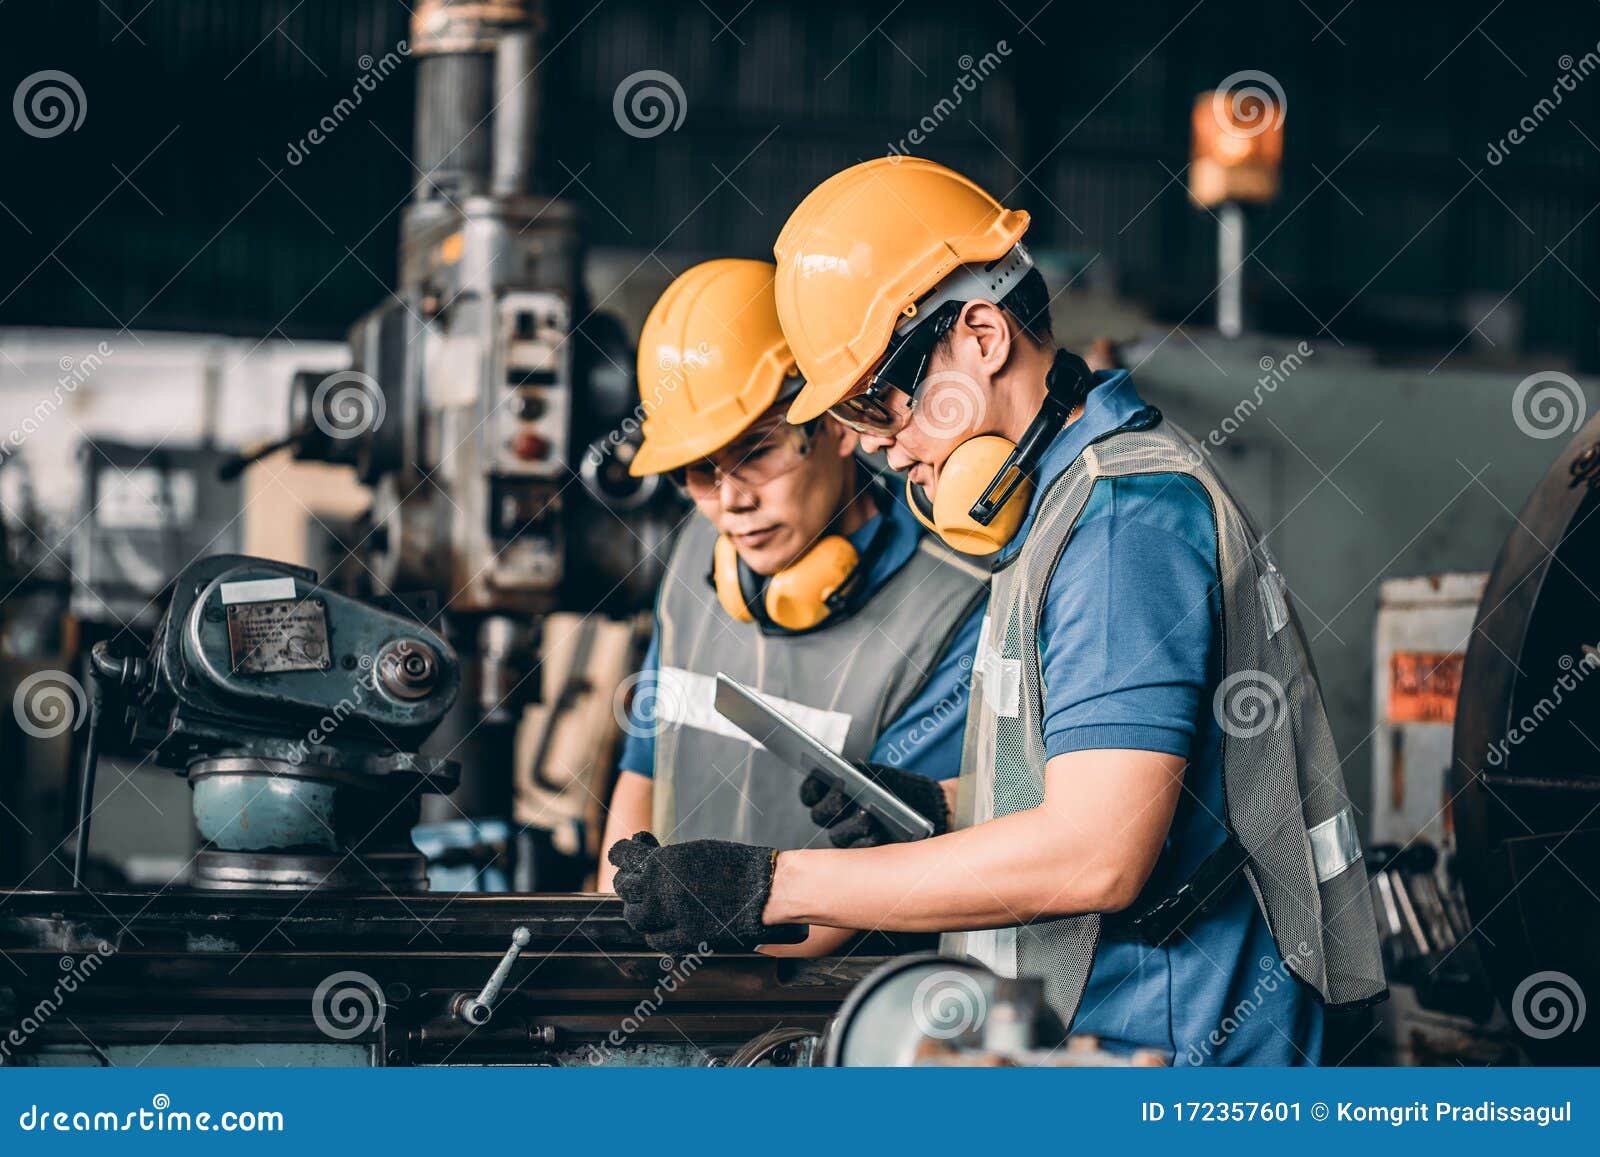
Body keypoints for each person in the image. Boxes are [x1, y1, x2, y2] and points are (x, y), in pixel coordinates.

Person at [608, 161, 1385, 1063]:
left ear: (979, 334)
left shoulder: (1122, 522)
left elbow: (1098, 851)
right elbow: (1114, 783)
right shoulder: (1055, 502)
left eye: (874, 400)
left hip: (1185, 1050)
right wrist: (939, 806)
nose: (883, 451)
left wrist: (774, 883)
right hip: (1110, 1037)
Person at [596, 258, 988, 956]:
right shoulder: (697, 550)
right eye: (699, 470)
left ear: (837, 421)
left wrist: (702, 958)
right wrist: (620, 934)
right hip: (676, 985)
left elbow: (897, 864)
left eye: (755, 452)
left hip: (832, 1011)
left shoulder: (951, 605)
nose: (731, 501)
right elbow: (641, 774)